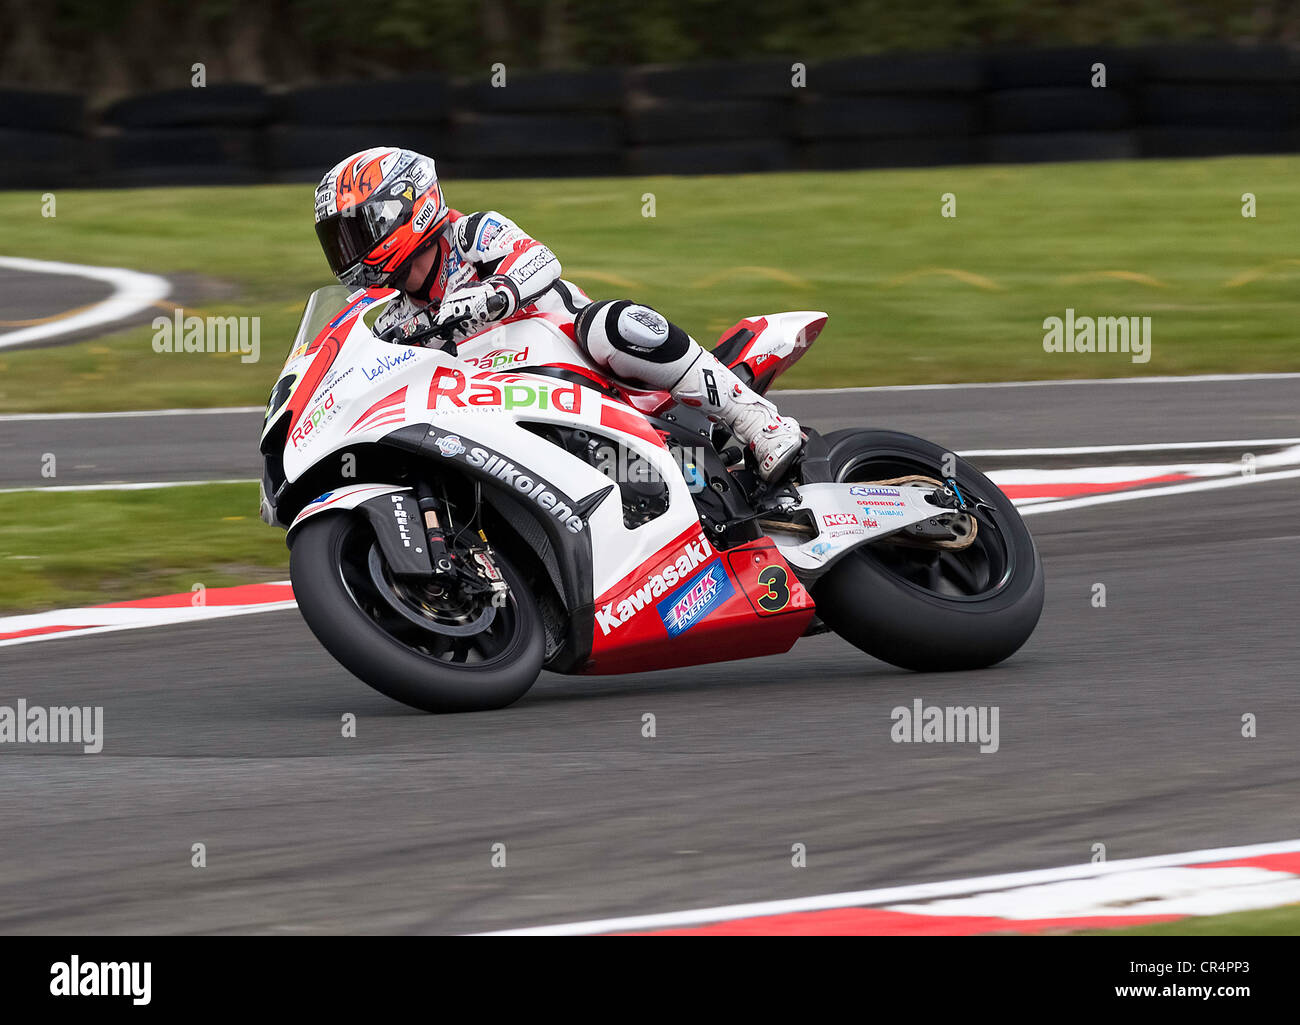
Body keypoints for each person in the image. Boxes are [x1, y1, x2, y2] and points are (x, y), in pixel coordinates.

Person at [312, 146, 803, 479]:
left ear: (402, 210)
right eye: (338, 241)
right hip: (507, 406)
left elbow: (539, 260)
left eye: (355, 233)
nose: (347, 252)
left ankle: (760, 423)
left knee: (612, 324)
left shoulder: (472, 233)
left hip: (588, 370)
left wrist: (495, 293)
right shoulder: (395, 317)